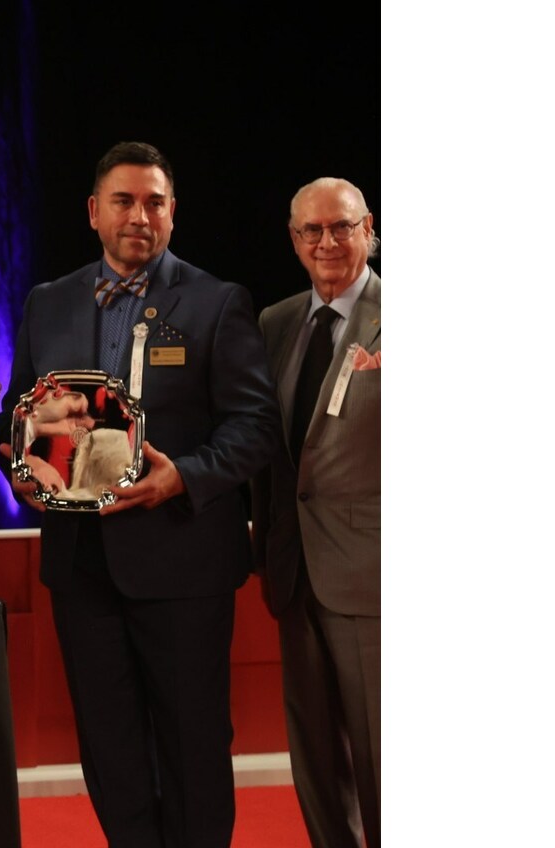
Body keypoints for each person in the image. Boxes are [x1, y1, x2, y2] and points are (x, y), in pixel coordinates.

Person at [0, 141, 277, 847]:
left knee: (193, 744)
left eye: (155, 202)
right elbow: (18, 418)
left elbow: (256, 425)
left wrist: (184, 473)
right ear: (94, 212)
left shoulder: (217, 302)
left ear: (173, 214)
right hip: (83, 564)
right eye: (123, 200)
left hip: (184, 563)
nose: (139, 216)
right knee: (110, 748)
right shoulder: (47, 302)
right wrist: (23, 466)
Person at [252, 177, 381, 848]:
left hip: (378, 580)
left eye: (342, 227)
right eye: (312, 231)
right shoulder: (275, 323)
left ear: (370, 229)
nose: (327, 242)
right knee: (317, 763)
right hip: (294, 572)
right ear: (295, 240)